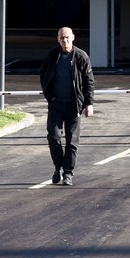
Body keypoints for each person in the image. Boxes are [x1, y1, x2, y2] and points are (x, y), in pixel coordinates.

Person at [39, 27, 94, 186]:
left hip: (74, 106)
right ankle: (58, 167)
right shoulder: (52, 55)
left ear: (73, 38)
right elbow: (43, 75)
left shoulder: (81, 56)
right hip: (56, 105)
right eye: (62, 38)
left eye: (67, 37)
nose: (65, 41)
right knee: (53, 137)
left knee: (72, 142)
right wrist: (49, 96)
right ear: (58, 39)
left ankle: (68, 173)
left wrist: (88, 103)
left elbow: (89, 81)